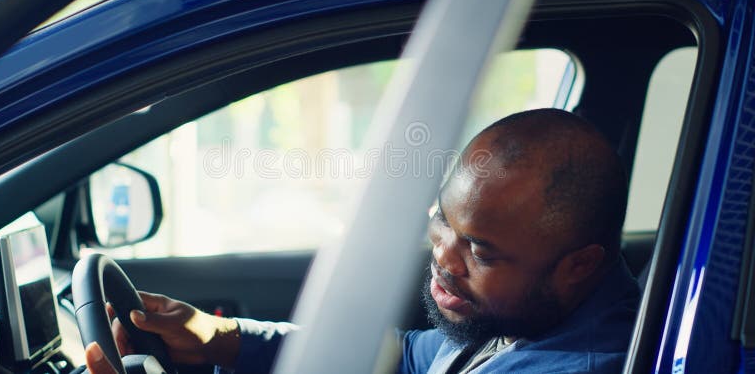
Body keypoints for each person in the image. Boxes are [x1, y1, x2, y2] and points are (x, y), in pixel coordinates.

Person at [84, 108, 641, 374]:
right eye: (442, 218)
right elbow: (401, 360)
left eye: (480, 250)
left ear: (577, 266)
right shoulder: (523, 316)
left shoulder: (580, 366)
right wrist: (219, 337)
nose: (443, 255)